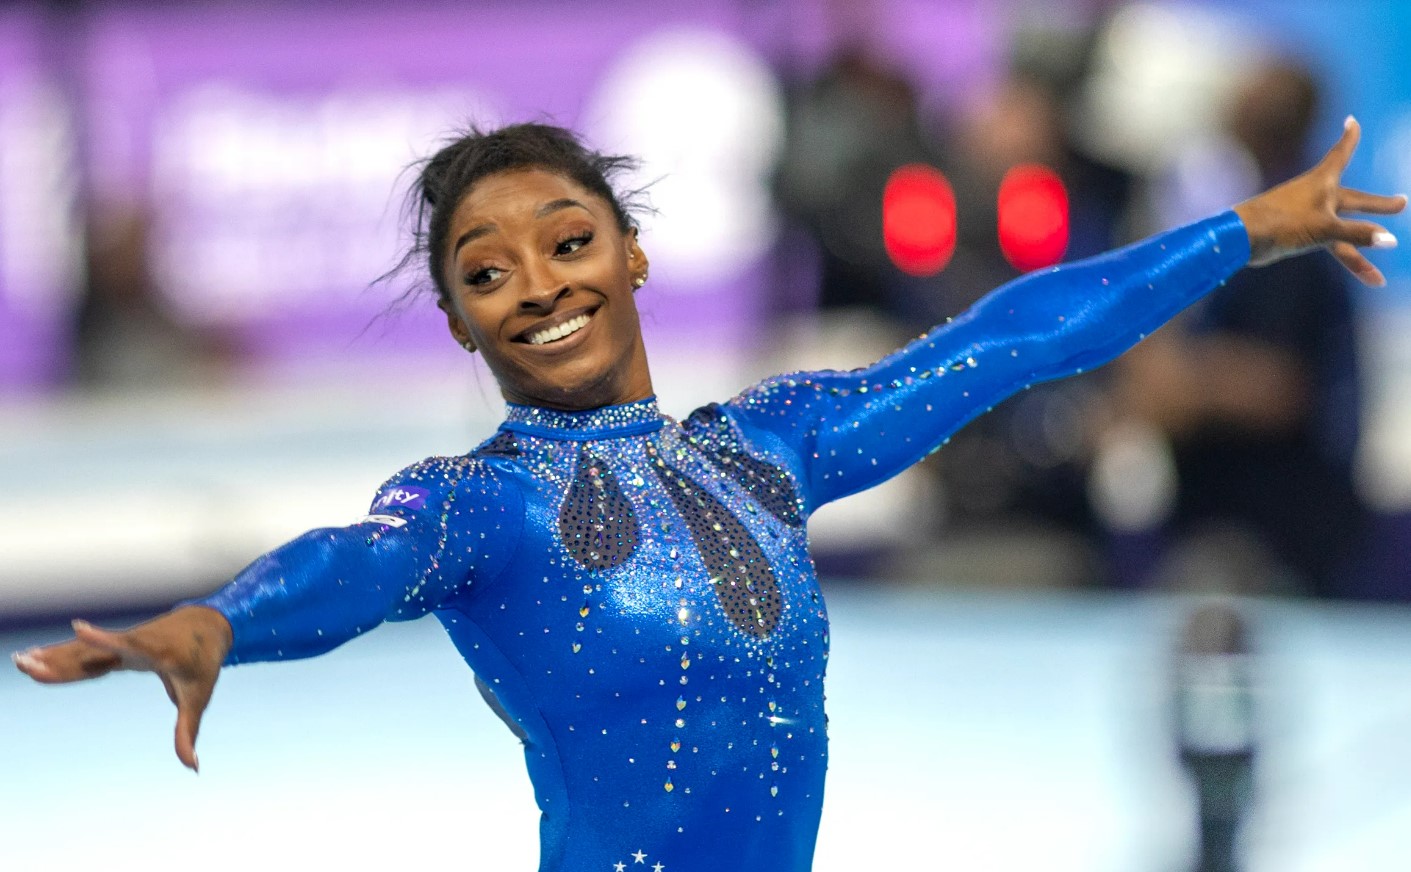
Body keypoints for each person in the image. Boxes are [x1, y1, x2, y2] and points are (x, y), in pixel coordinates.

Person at [12, 119, 1402, 872]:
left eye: (568, 242)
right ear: (458, 325)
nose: (541, 285)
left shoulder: (768, 450)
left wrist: (1245, 233)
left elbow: (1003, 343)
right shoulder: (474, 509)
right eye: (488, 274)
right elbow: (353, 562)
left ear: (634, 258)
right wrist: (221, 624)